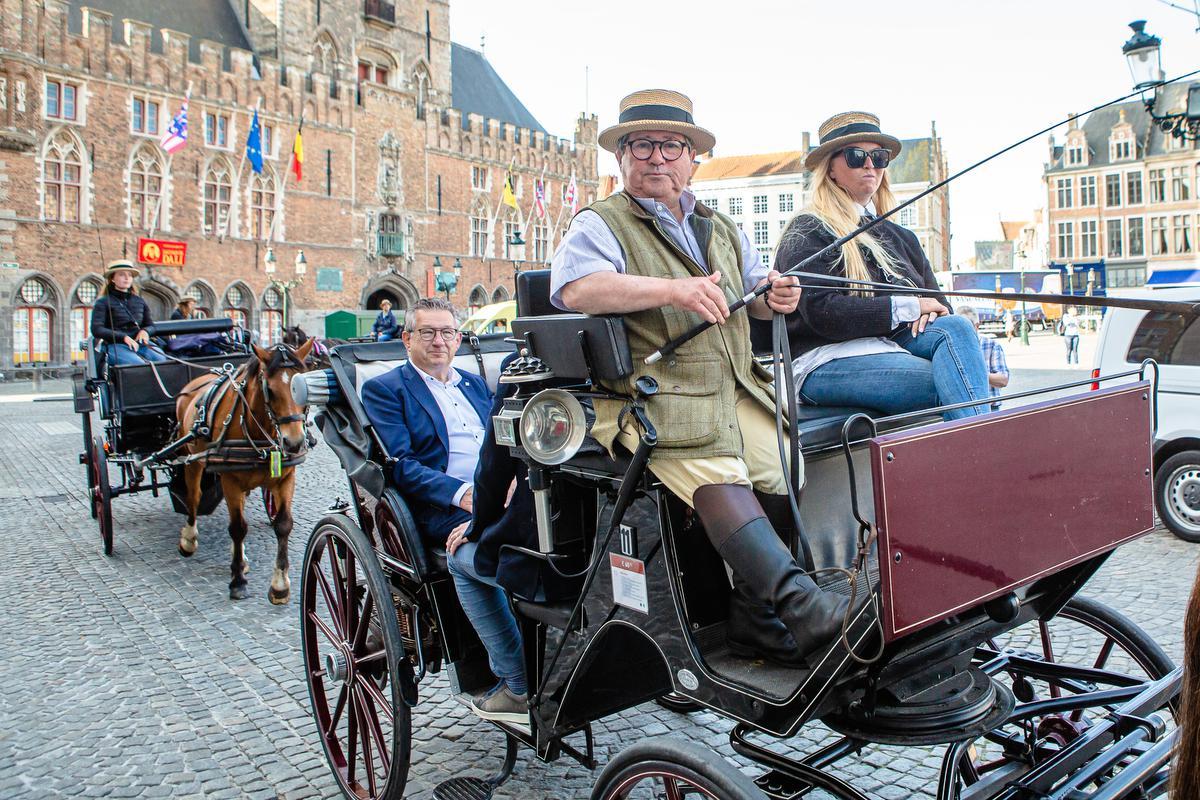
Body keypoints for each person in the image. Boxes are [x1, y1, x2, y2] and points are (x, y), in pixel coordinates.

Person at [551, 88, 848, 667]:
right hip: (654, 395)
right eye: (642, 145)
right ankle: (802, 607)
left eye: (671, 146)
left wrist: (776, 295)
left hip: (733, 385)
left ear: (692, 159)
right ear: (621, 156)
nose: (657, 158)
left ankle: (754, 618)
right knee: (718, 470)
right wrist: (671, 290)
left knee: (784, 463)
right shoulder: (601, 222)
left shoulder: (721, 226)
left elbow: (755, 294)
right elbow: (576, 288)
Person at [759, 111, 989, 422]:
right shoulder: (808, 229)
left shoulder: (903, 238)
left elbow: (939, 305)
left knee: (957, 329)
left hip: (896, 345)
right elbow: (824, 312)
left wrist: (932, 312)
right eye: (856, 156)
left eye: (879, 157)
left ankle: (980, 450)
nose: (870, 164)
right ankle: (986, 451)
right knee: (957, 382)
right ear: (830, 170)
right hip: (828, 358)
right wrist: (911, 306)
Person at [361, 298, 491, 545]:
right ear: (407, 339)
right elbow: (401, 465)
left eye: (447, 333)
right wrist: (463, 493)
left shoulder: (475, 384)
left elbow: (505, 440)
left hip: (498, 494)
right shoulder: (385, 389)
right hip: (444, 505)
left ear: (457, 340)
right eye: (428, 332)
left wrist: (511, 482)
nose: (439, 341)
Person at [90, 260, 168, 365]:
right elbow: (97, 329)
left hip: (140, 344)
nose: (127, 278)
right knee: (136, 364)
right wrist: (123, 337)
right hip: (116, 345)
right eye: (122, 275)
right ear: (112, 279)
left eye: (130, 275)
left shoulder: (139, 301)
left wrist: (145, 331)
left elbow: (150, 325)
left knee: (160, 359)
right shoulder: (103, 302)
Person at [957, 306, 1009, 411]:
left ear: (977, 326)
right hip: (962, 408)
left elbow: (1003, 380)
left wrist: (975, 373)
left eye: (965, 327)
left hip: (989, 408)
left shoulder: (991, 345)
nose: (960, 331)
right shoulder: (952, 346)